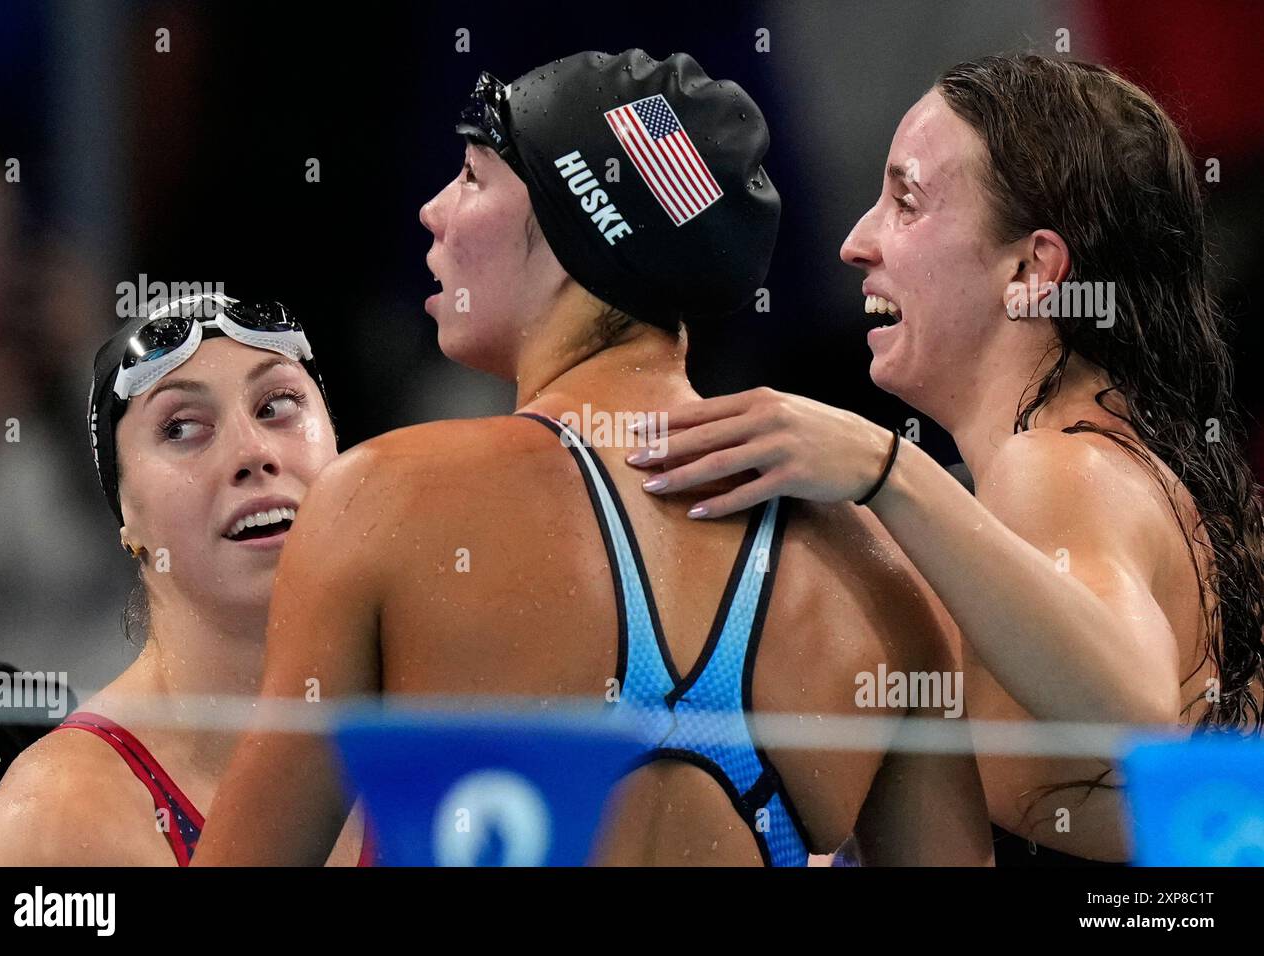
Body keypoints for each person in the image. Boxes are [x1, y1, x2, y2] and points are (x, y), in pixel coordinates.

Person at [191, 49, 991, 868]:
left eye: (471, 177)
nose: (432, 210)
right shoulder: (883, 578)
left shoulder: (380, 499)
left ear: (584, 230)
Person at [623, 53, 1264, 863]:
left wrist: (888, 471)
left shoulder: (1058, 469)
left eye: (907, 201)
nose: (856, 242)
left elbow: (1133, 719)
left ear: (1032, 270)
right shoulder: (1099, 468)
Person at [0, 293, 372, 866]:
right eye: (182, 428)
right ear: (126, 514)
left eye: (278, 404)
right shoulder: (49, 822)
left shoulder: (427, 745)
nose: (252, 452)